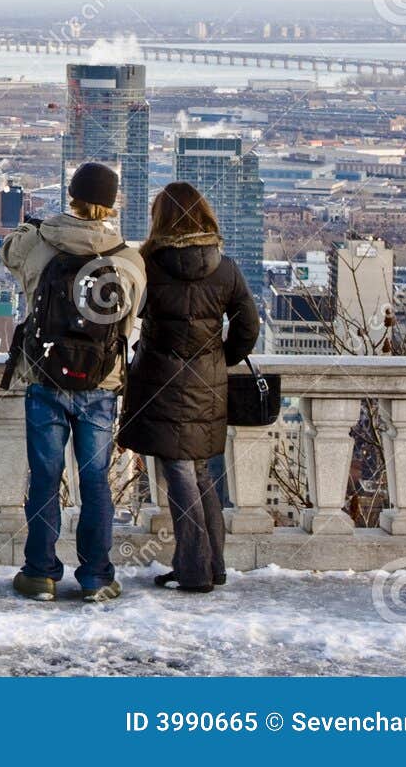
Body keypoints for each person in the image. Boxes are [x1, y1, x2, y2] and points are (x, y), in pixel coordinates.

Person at [0, 162, 145, 603]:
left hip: (44, 376)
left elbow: (8, 255)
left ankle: (40, 573)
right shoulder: (129, 259)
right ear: (113, 201)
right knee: (96, 478)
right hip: (101, 383)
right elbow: (129, 320)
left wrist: (33, 225)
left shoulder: (37, 243)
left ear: (71, 195)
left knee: (45, 476)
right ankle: (97, 577)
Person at [117, 181, 259, 594]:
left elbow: (128, 313)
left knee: (180, 474)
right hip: (207, 384)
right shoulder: (225, 267)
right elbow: (248, 326)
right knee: (200, 474)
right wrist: (219, 358)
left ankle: (195, 570)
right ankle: (212, 566)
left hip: (161, 384)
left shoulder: (148, 265)